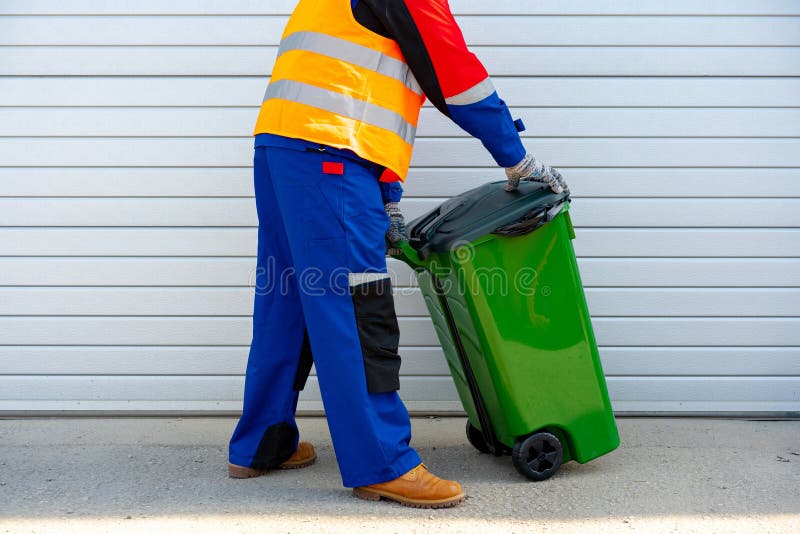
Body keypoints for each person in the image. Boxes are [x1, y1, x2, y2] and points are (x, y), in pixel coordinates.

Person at [227, 0, 568, 509]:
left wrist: (386, 196)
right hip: (333, 159)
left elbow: (366, 92)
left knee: (289, 301)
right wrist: (516, 158)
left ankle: (262, 442)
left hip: (284, 150)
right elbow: (454, 76)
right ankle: (382, 462)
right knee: (356, 307)